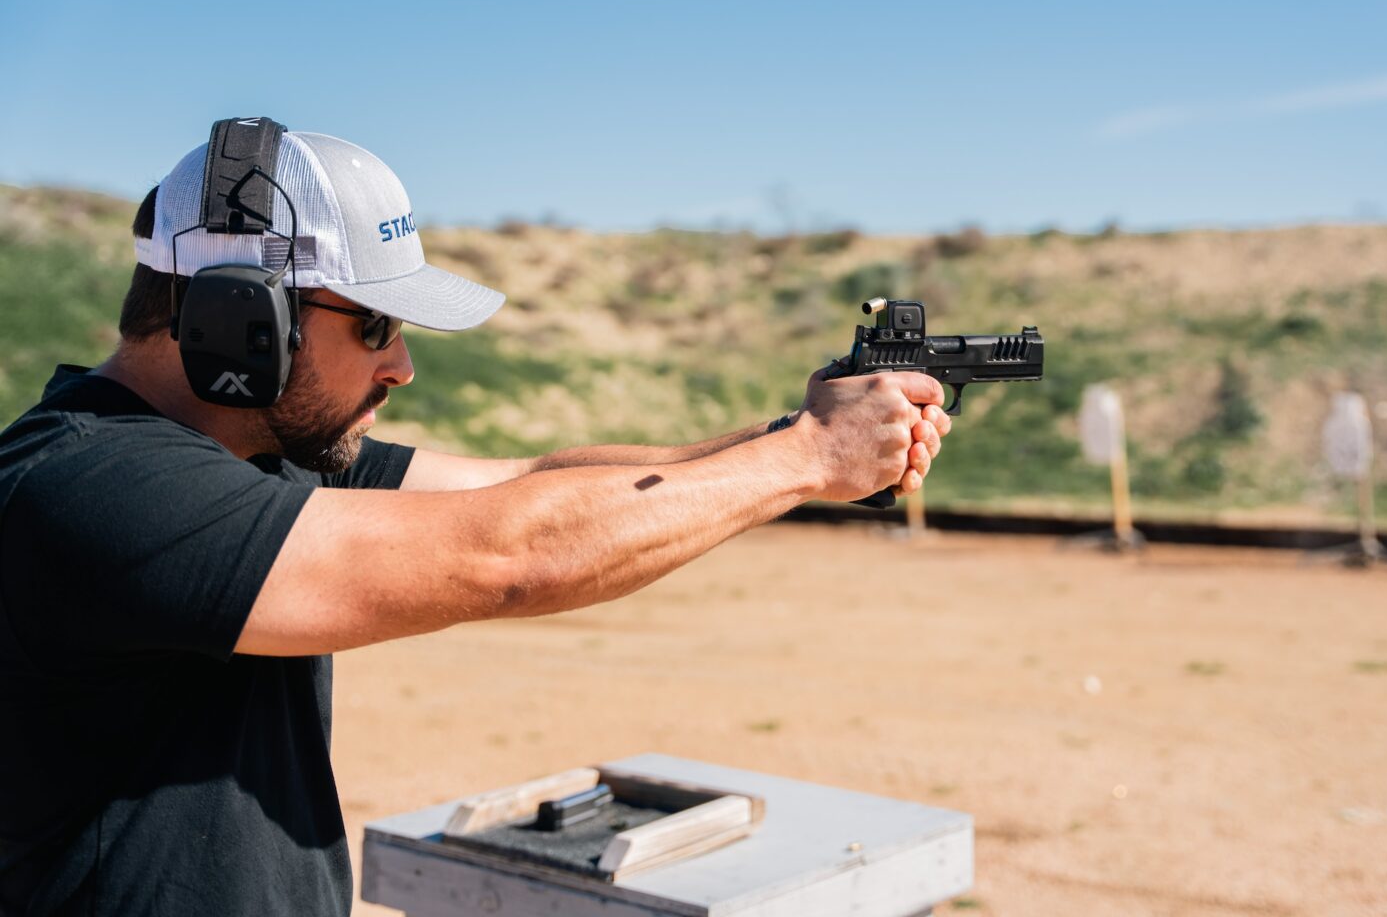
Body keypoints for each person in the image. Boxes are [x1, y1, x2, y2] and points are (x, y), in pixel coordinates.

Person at [0, 122, 951, 916]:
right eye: (373, 324)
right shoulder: (93, 485)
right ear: (239, 319)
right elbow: (508, 555)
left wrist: (798, 433)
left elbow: (526, 479)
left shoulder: (259, 453)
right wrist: (808, 460)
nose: (400, 366)